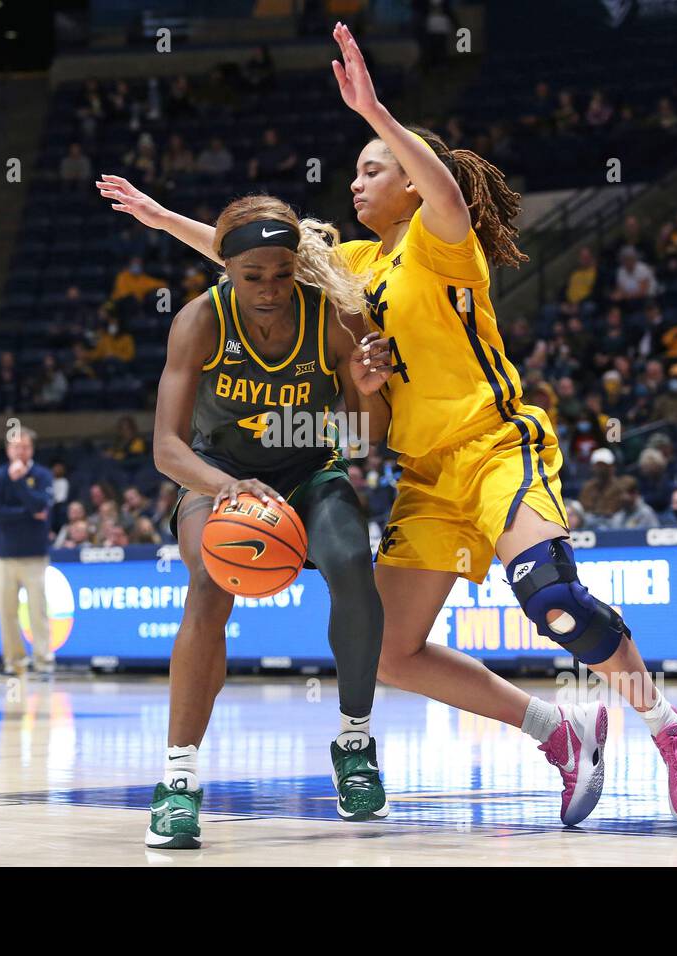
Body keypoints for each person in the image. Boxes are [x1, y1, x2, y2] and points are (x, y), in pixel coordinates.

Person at [98, 23, 677, 826]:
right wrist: (162, 220)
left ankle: (670, 732)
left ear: (413, 184)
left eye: (372, 170)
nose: (356, 184)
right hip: (424, 473)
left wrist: (380, 114)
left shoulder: (441, 242)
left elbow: (451, 194)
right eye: (356, 169)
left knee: (554, 598)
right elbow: (261, 258)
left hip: (496, 447)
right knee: (390, 652)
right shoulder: (356, 264)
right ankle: (560, 736)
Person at [143, 193, 392, 848]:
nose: (270, 289)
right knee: (206, 584)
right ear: (225, 268)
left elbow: (365, 439)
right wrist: (230, 488)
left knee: (351, 563)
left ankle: (355, 743)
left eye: (282, 273)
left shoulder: (335, 316)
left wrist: (368, 395)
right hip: (219, 473)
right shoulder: (200, 321)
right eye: (253, 276)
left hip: (310, 471)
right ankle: (177, 781)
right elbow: (167, 449)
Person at [0, 428, 53, 676]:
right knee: (6, 612)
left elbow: (42, 507)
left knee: (38, 610)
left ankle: (43, 661)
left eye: (25, 447)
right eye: (16, 447)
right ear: (8, 450)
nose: (20, 452)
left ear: (32, 449)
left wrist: (21, 483)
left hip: (35, 555)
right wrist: (27, 514)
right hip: (2, 556)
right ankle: (14, 662)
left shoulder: (43, 475)